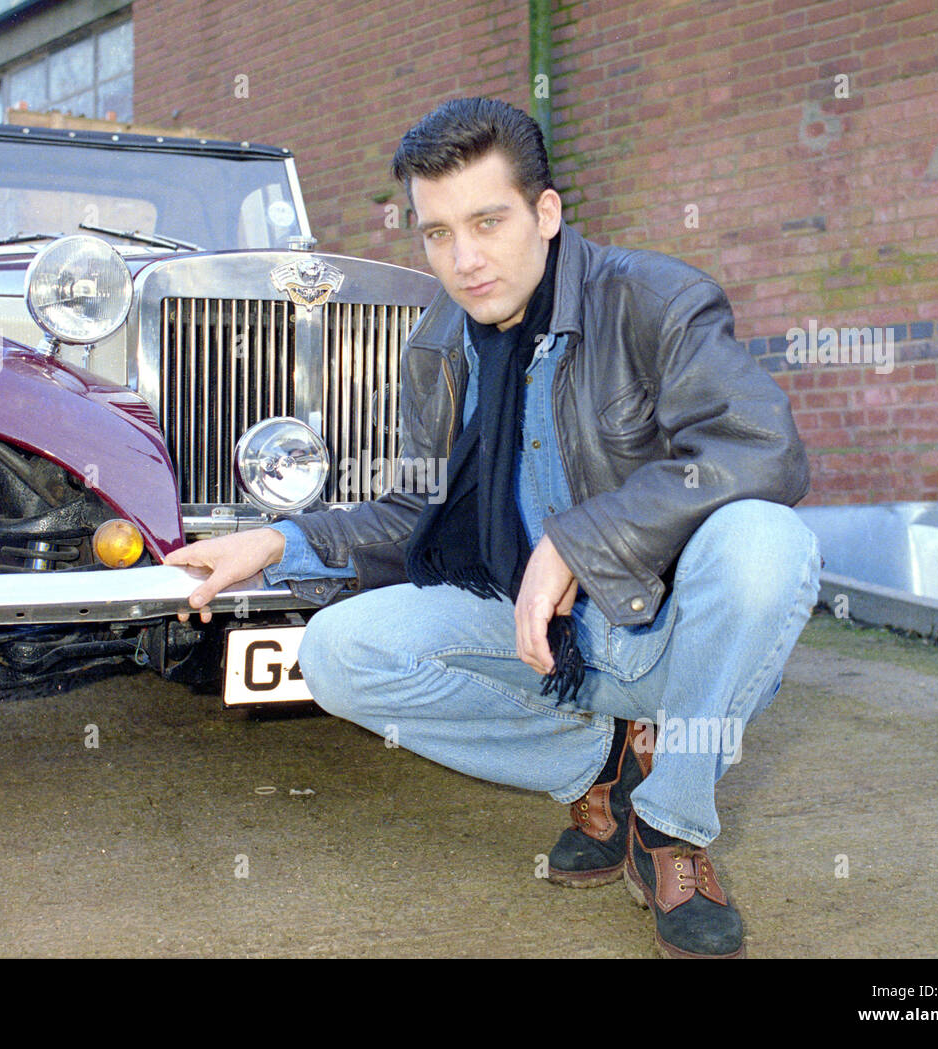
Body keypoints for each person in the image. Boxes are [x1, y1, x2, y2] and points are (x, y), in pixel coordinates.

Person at [166, 97, 820, 959]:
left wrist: (583, 540)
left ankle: (670, 826)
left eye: (487, 221)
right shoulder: (439, 341)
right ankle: (599, 765)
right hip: (532, 631)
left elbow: (764, 449)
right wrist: (278, 540)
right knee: (336, 652)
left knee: (770, 544)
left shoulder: (655, 299)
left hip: (663, 635)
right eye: (436, 233)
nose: (464, 260)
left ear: (545, 213)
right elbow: (417, 507)